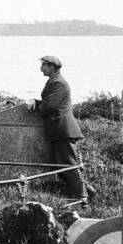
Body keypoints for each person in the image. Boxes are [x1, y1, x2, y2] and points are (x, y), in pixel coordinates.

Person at [31, 55, 95, 201]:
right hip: (58, 130)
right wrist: (37, 102)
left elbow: (50, 106)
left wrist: (36, 108)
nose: (41, 68)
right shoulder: (54, 81)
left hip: (63, 130)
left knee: (68, 166)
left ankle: (82, 196)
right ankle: (86, 191)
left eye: (44, 65)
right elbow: (50, 102)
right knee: (60, 166)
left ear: (52, 67)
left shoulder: (59, 83)